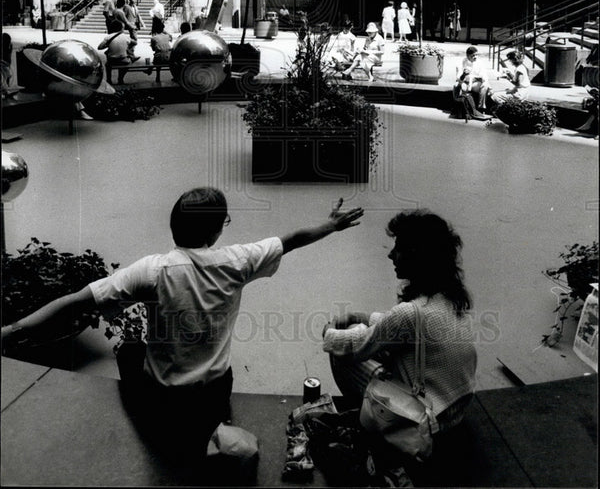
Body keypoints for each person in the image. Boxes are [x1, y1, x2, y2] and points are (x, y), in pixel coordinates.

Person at [1, 190, 363, 468]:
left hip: (163, 397)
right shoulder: (238, 261)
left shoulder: (152, 270)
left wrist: (13, 328)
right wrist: (331, 225)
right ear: (215, 230)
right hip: (215, 393)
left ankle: (156, 430)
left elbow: (75, 300)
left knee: (129, 349)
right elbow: (292, 239)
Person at [322, 209, 477, 480]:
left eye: (398, 249)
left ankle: (373, 422)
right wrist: (365, 316)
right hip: (456, 408)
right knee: (374, 336)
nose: (390, 255)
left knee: (343, 350)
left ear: (417, 256)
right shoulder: (448, 297)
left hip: (425, 423)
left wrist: (328, 333)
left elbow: (358, 344)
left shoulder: (409, 314)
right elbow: (400, 328)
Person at [460, 46, 489, 112]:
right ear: (467, 55)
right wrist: (465, 74)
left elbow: (484, 74)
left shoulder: (479, 62)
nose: (475, 57)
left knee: (485, 85)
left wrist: (484, 80)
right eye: (473, 55)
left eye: (476, 55)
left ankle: (481, 108)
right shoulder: (464, 61)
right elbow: (460, 75)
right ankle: (464, 109)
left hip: (476, 83)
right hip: (466, 83)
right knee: (462, 87)